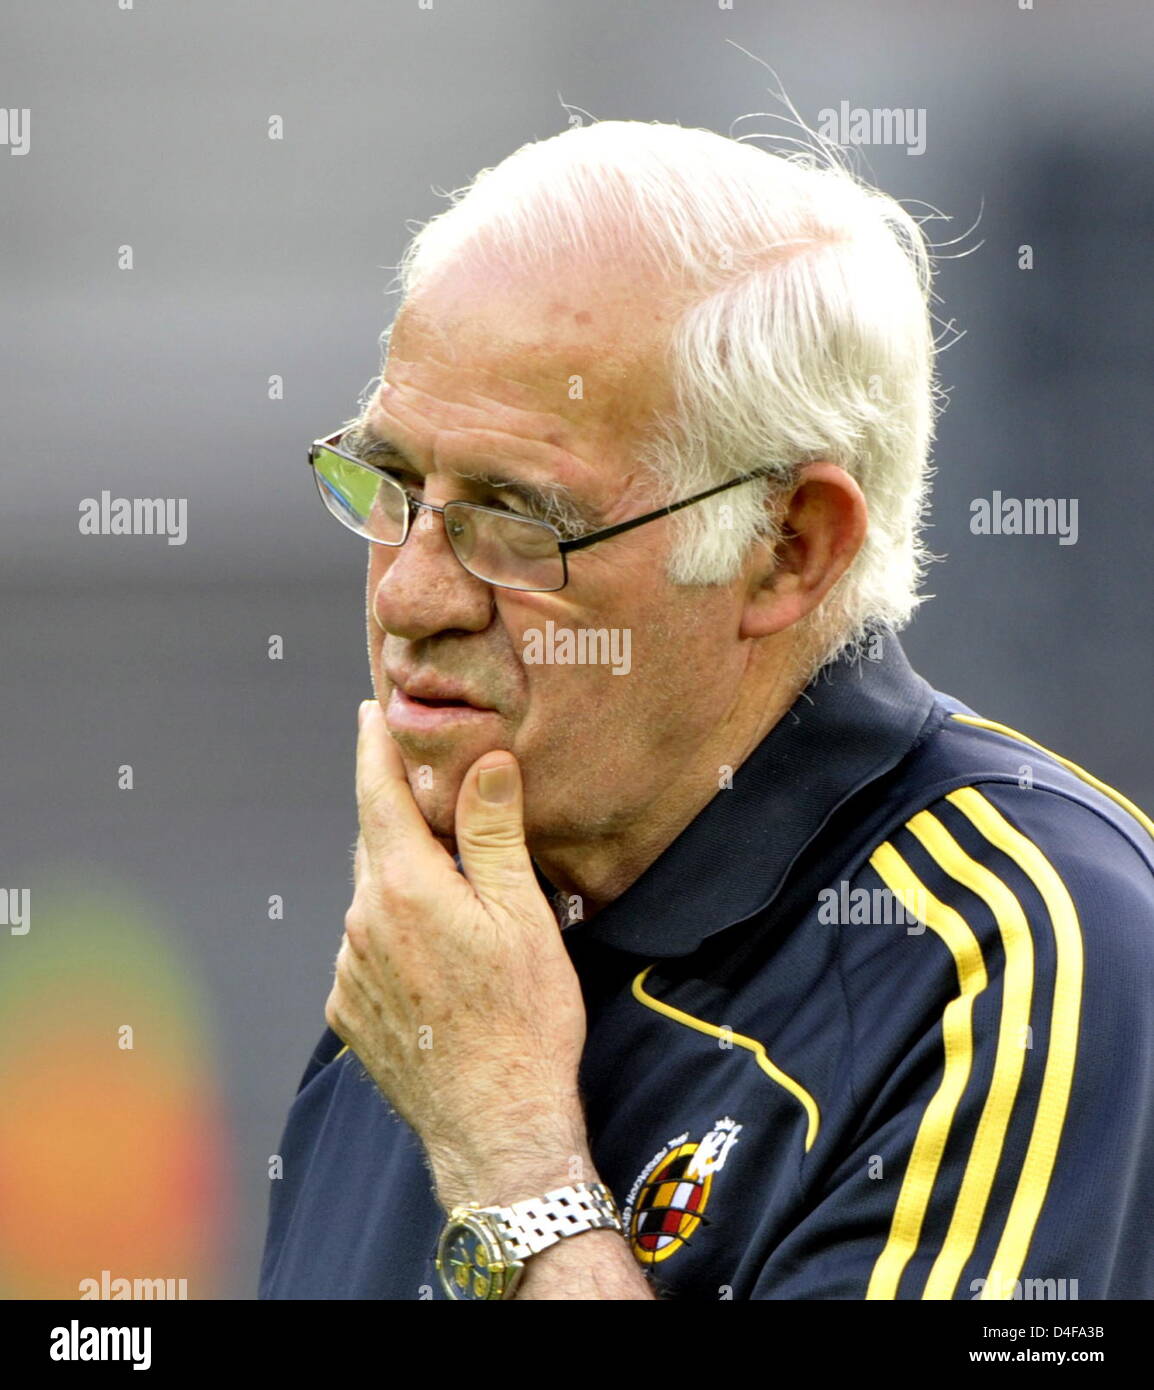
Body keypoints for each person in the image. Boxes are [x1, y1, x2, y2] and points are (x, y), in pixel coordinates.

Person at [260, 120, 1154, 1300]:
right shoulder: (437, 952)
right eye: (393, 486)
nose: (413, 591)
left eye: (519, 518)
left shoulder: (1019, 953)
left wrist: (514, 1162)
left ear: (789, 549)